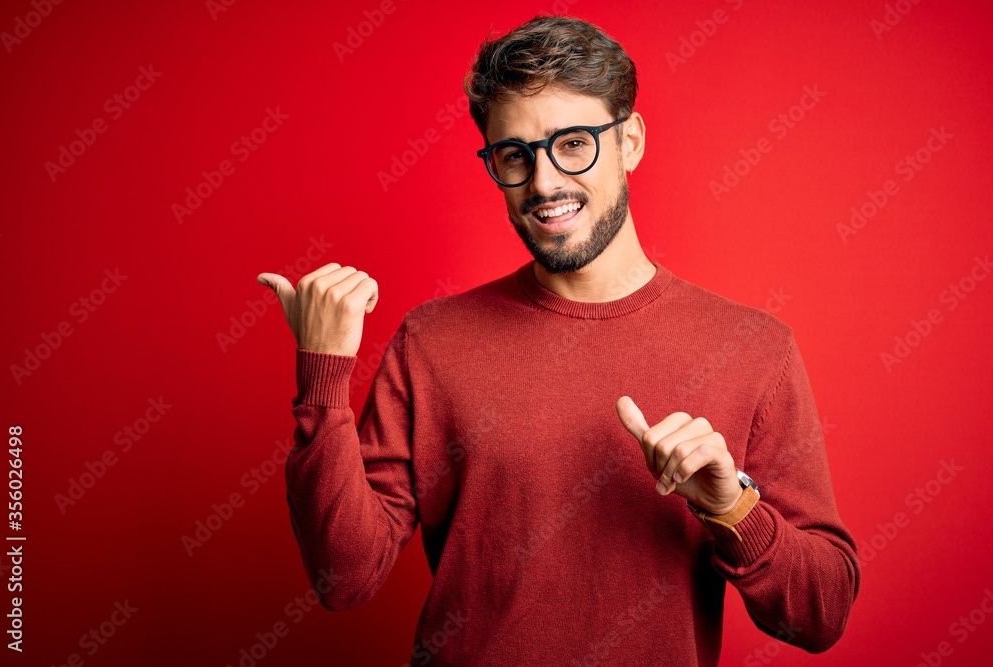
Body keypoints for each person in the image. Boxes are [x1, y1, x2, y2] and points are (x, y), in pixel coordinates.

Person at [257, 14, 860, 666]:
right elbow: (343, 578)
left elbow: (821, 612)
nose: (543, 183)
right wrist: (322, 376)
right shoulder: (432, 341)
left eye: (573, 144)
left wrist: (731, 505)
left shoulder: (752, 349)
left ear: (630, 141)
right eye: (514, 155)